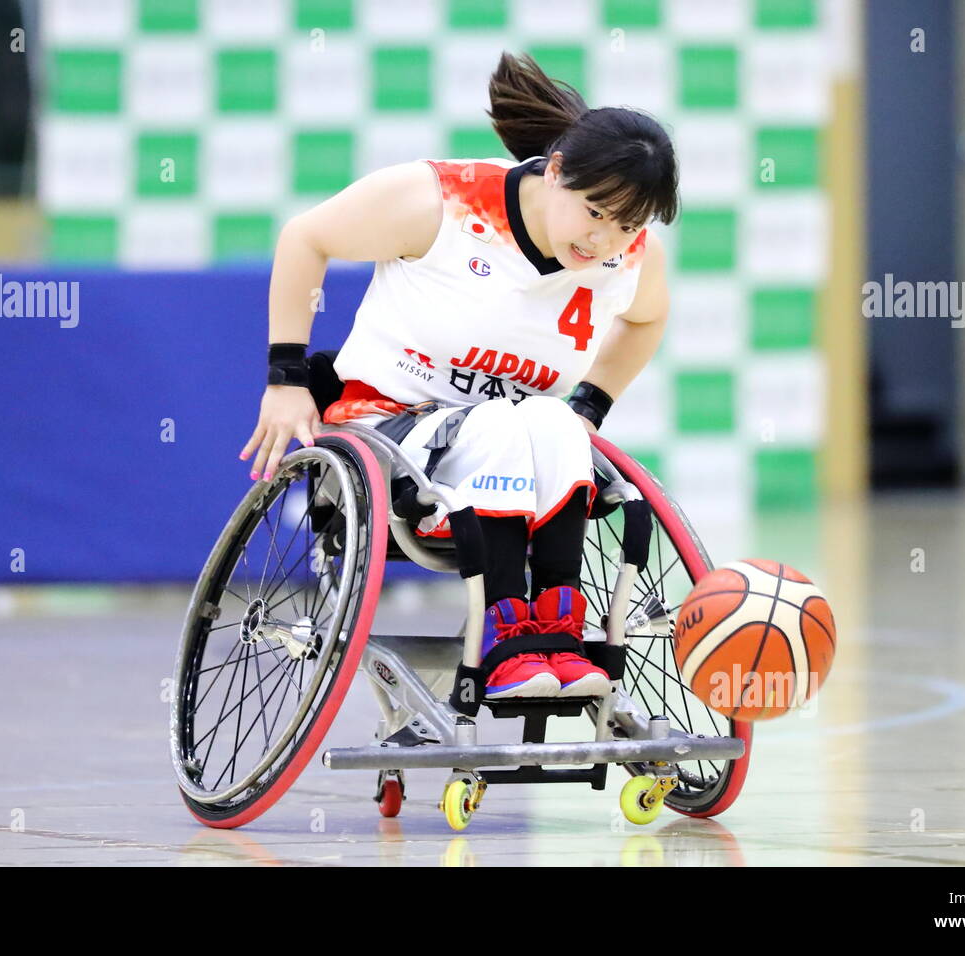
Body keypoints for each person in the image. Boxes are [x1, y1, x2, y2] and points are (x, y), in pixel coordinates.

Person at [239, 51, 678, 701]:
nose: (606, 240)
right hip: (383, 430)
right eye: (594, 212)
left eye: (627, 224)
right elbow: (306, 237)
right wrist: (286, 377)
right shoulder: (443, 202)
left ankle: (556, 633)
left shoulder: (628, 257)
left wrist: (591, 401)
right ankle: (505, 640)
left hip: (507, 450)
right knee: (509, 422)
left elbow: (646, 321)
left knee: (562, 422)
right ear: (555, 172)